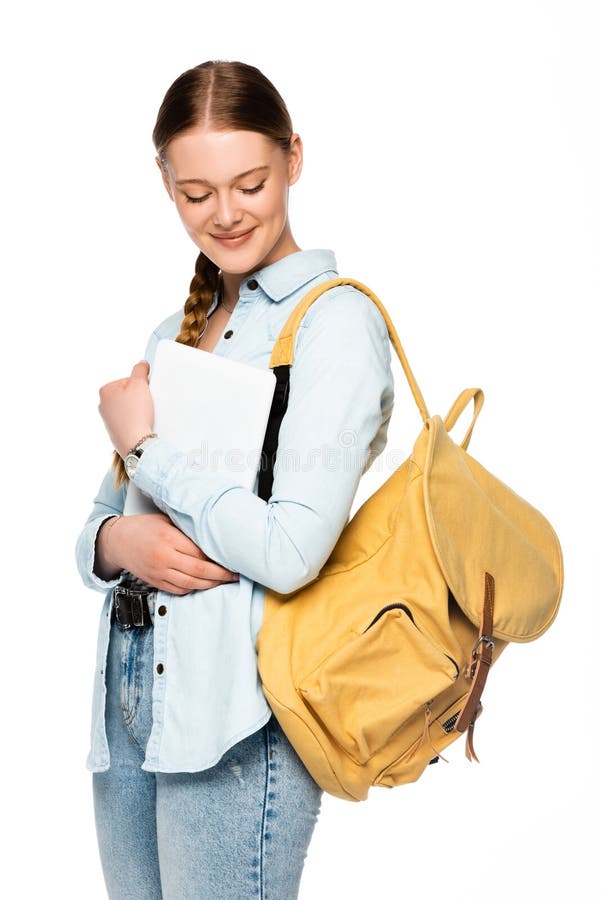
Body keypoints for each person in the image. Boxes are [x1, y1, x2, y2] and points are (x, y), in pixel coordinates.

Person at [75, 59, 395, 900]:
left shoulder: (333, 324)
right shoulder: (172, 332)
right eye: (195, 193)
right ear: (164, 184)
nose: (224, 214)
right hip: (131, 700)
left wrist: (149, 453)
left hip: (237, 717)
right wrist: (117, 541)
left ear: (293, 157)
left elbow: (290, 551)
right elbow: (95, 532)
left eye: (249, 182)